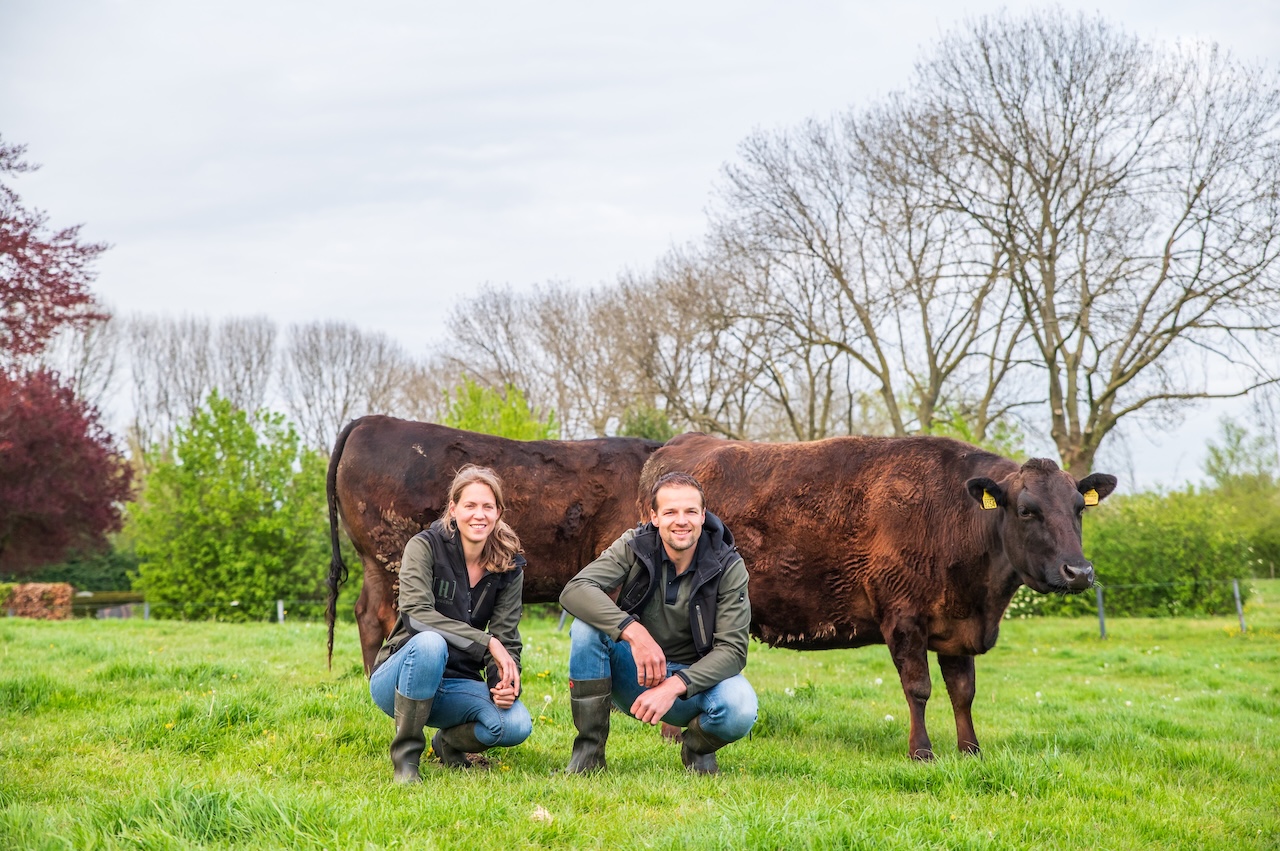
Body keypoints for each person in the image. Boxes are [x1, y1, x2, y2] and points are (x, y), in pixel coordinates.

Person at [559, 471, 757, 775]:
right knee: (586, 627)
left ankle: (697, 748)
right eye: (670, 512)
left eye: (690, 511)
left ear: (703, 515)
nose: (681, 520)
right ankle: (588, 757)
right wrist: (634, 632)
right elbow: (575, 590)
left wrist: (675, 686)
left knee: (741, 708)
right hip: (637, 676)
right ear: (654, 516)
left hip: (695, 687)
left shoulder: (728, 564)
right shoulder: (634, 545)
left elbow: (733, 652)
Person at [368, 464, 532, 783]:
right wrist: (487, 643)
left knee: (516, 725)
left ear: (498, 512)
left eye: (487, 506)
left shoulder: (509, 566)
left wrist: (504, 684)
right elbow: (416, 614)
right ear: (454, 509)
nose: (479, 515)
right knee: (431, 642)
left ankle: (446, 744)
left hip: (456, 682)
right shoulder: (425, 546)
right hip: (402, 676)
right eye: (470, 506)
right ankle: (406, 761)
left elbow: (506, 638)